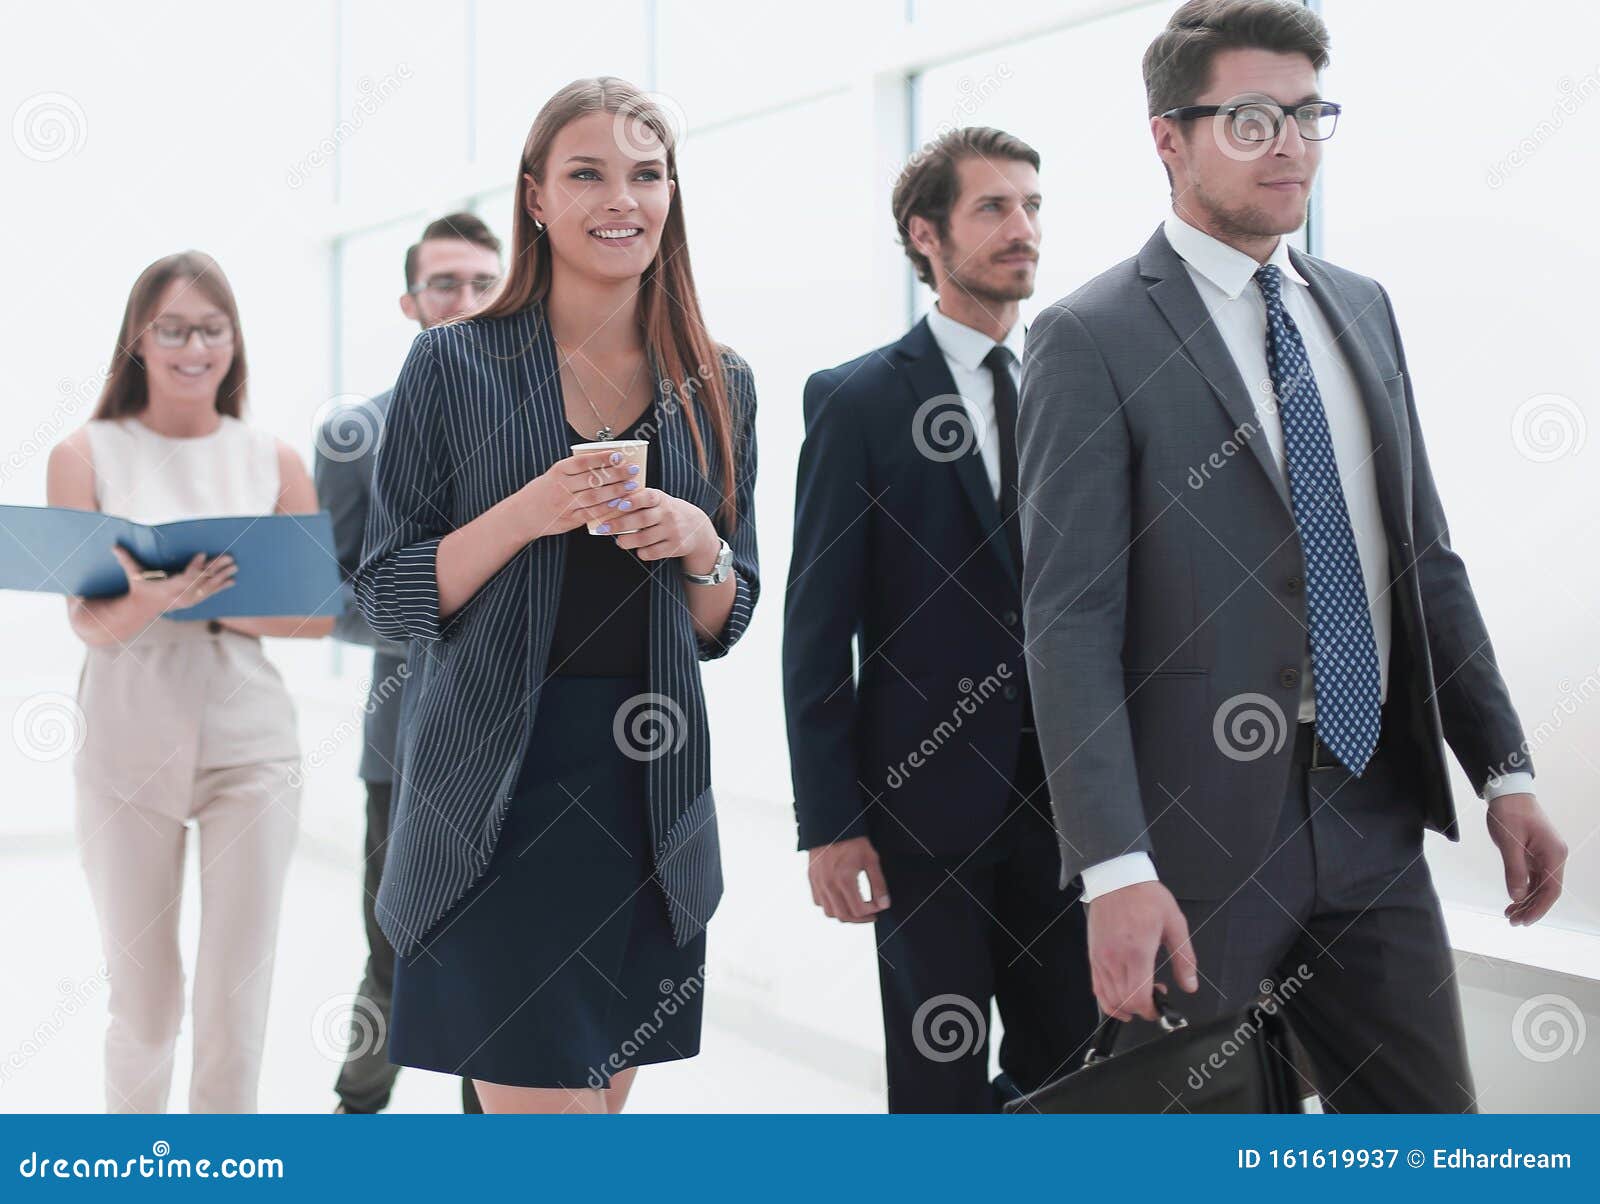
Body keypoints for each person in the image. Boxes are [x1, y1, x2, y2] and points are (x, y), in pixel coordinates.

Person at [1016, 0, 1567, 1112]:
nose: (1291, 144)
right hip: (1192, 837)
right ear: (1168, 138)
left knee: (1427, 1134)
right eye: (1253, 117)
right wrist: (1115, 867)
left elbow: (1423, 561)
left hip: (1371, 808)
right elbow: (1066, 621)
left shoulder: (1359, 308)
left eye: (1311, 114)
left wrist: (1501, 772)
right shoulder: (1089, 335)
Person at [353, 76, 759, 1115]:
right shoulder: (452, 364)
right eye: (587, 173)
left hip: (647, 802)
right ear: (535, 197)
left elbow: (725, 616)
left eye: (645, 173)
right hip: (494, 794)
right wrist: (525, 511)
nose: (620, 197)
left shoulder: (717, 378)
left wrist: (700, 541)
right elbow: (390, 592)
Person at [784, 127, 1096, 1113]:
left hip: (1073, 809)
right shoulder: (858, 399)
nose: (1023, 229)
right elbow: (814, 624)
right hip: (923, 814)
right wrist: (830, 823)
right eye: (994, 208)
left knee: (1080, 1071)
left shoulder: (1076, 388)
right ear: (926, 235)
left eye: (1033, 206)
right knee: (936, 1083)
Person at [46, 251, 334, 1112]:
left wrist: (209, 603)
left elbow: (318, 615)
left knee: (233, 1005)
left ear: (234, 341)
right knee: (145, 1007)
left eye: (211, 328)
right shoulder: (82, 452)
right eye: (171, 328)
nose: (192, 345)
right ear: (139, 338)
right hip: (126, 745)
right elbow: (86, 622)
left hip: (251, 745)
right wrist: (149, 602)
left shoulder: (273, 456)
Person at [315, 212, 502, 1116]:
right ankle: (358, 1106)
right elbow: (335, 600)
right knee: (392, 945)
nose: (463, 300)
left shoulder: (540, 419)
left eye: (480, 283)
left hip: (519, 742)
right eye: (444, 284)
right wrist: (442, 606)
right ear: (410, 300)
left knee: (504, 963)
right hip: (407, 739)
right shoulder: (355, 434)